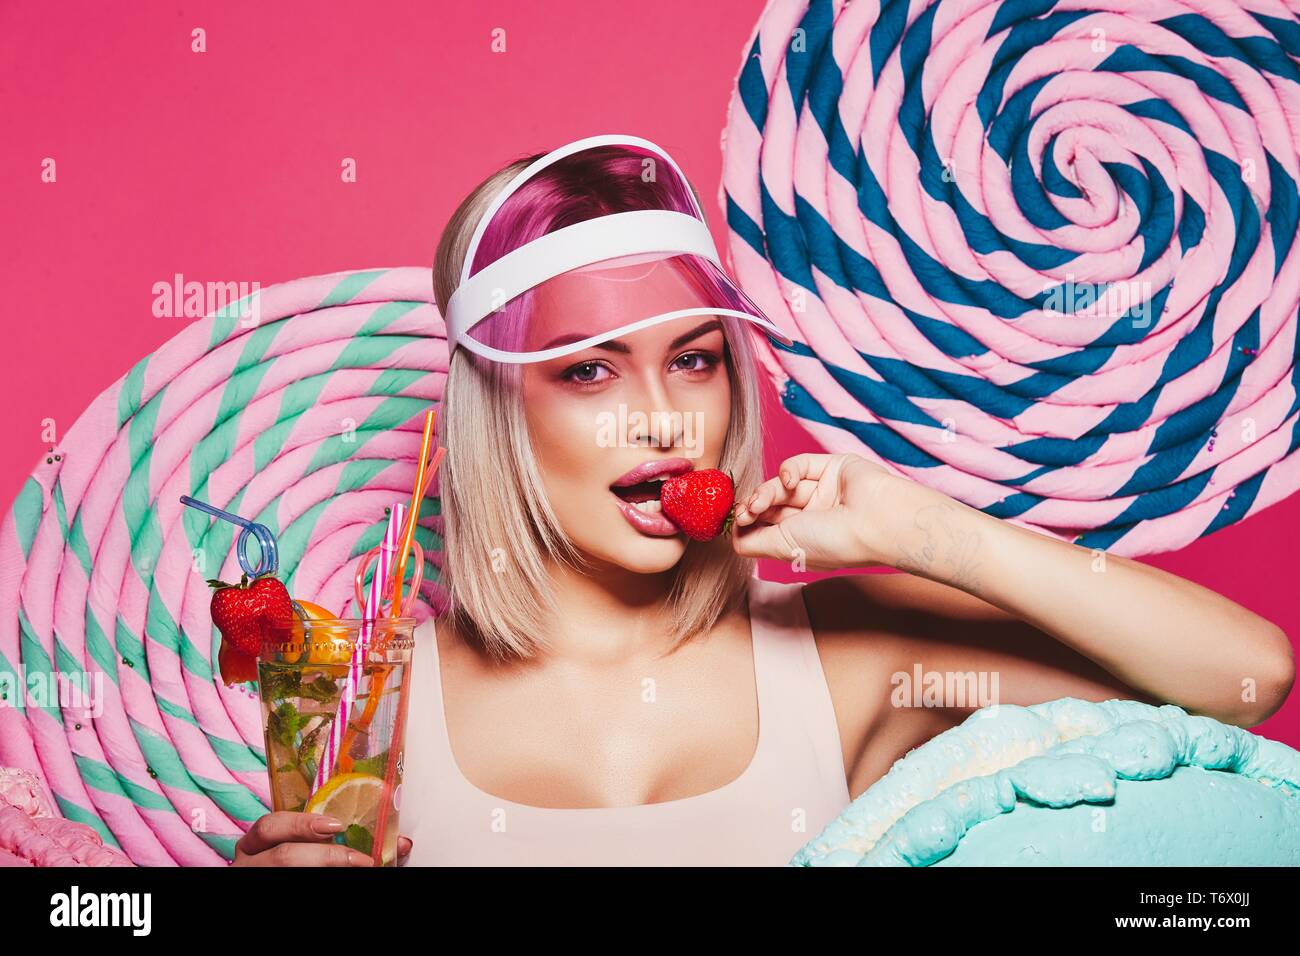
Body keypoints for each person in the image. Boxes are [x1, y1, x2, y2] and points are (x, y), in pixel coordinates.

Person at [233, 135, 1293, 867]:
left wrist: (924, 529)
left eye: (693, 360)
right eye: (590, 370)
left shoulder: (842, 656)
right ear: (496, 407)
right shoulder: (360, 712)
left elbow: (1246, 677)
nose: (661, 419)